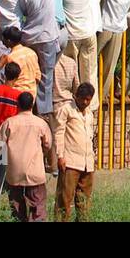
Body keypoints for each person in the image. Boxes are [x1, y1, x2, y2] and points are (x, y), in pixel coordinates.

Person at [0, 91, 52, 221]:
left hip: (14, 172)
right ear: (32, 105)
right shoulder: (40, 123)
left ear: (18, 105)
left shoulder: (9, 123)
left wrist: (2, 164)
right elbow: (48, 144)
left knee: (16, 207)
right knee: (38, 206)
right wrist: (42, 154)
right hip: (35, 171)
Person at [16, 0, 59, 115]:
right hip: (48, 37)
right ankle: (43, 111)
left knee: (28, 73)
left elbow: (22, 14)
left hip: (30, 39)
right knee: (46, 76)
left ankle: (27, 106)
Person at [53, 0, 99, 87]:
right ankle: (91, 99)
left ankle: (72, 95)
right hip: (88, 32)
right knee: (90, 70)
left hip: (72, 35)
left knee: (70, 69)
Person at [54, 82, 97, 221]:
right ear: (76, 96)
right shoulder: (66, 110)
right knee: (64, 200)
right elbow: (59, 133)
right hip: (70, 162)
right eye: (83, 99)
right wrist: (60, 156)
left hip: (87, 164)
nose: (85, 102)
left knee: (84, 201)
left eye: (88, 99)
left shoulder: (89, 113)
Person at [0, 62, 25, 185]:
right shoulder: (18, 96)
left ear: (5, 74)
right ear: (17, 77)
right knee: (1, 168)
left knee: (0, 164)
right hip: (10, 137)